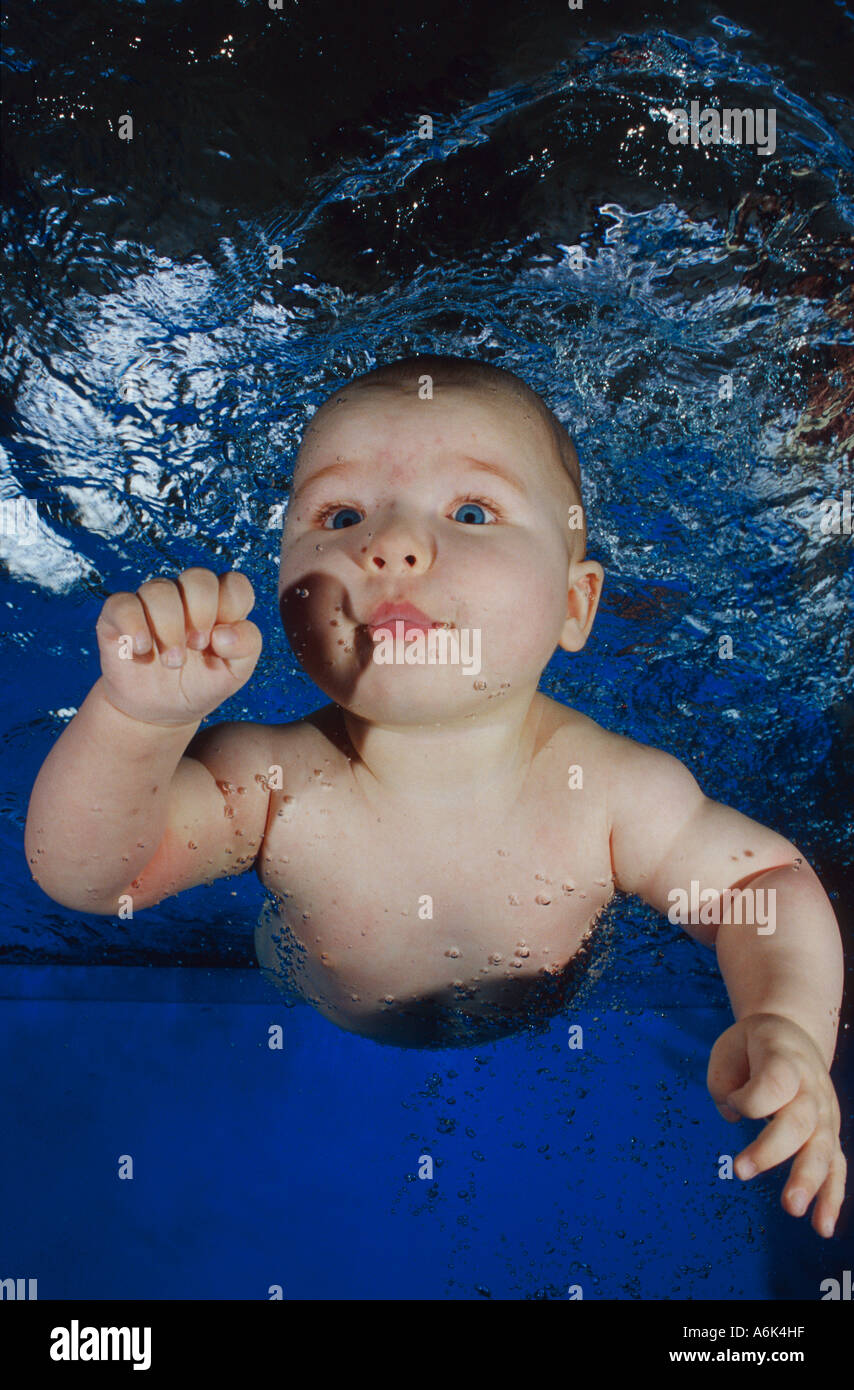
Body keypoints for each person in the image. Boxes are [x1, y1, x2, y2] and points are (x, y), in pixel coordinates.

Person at [25, 353, 845, 1237]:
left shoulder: (612, 794)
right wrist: (138, 722)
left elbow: (759, 887)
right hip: (306, 986)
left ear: (575, 606)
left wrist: (786, 1019)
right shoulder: (267, 781)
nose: (392, 545)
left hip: (545, 1000)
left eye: (471, 511)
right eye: (341, 514)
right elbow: (87, 878)